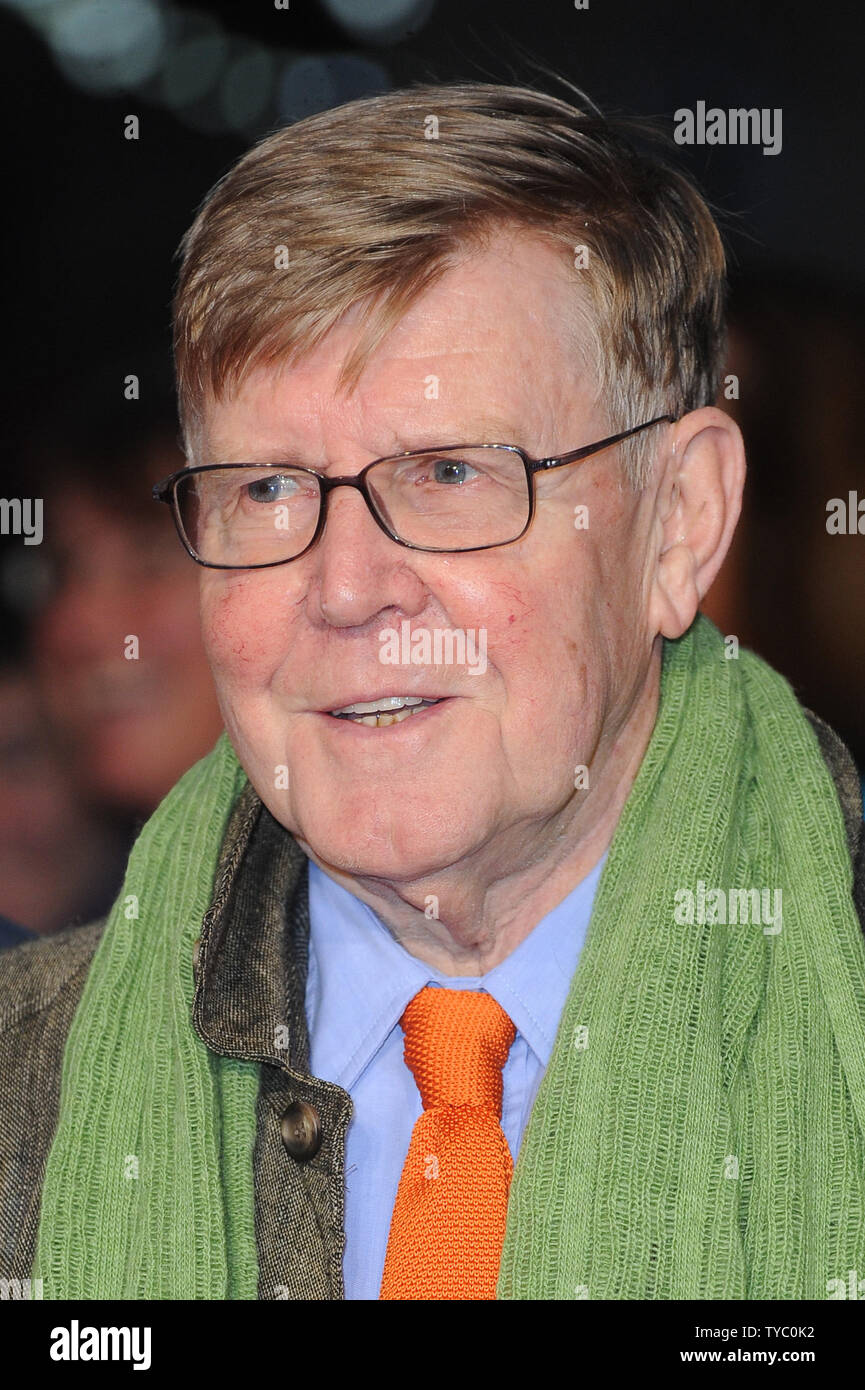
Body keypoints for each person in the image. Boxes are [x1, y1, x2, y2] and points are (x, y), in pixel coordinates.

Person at [1, 81, 864, 1302]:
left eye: (450, 472)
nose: (346, 588)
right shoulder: (21, 1089)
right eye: (264, 490)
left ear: (678, 524)